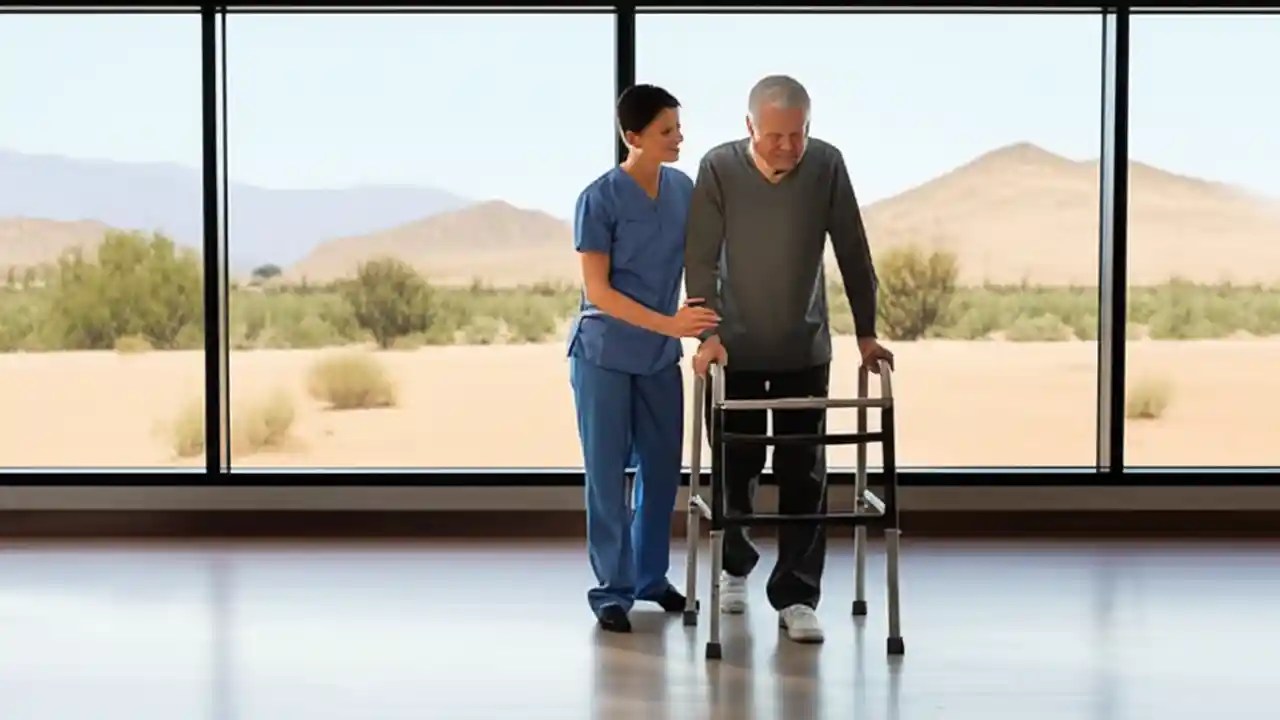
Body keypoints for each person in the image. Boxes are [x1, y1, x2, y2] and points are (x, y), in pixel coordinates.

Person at [684, 74, 894, 644]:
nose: (785, 146)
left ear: (809, 127)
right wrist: (706, 336)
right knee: (737, 464)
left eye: (795, 134)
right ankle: (733, 566)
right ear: (749, 127)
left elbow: (852, 248)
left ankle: (798, 596)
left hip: (804, 346)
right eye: (773, 134)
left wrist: (867, 333)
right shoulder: (718, 168)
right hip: (735, 350)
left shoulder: (826, 165)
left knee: (805, 473)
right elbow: (700, 258)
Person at [567, 84, 721, 633]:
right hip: (603, 353)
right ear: (632, 137)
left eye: (678, 127)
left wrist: (698, 329)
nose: (678, 138)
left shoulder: (684, 190)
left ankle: (650, 579)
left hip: (658, 356)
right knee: (608, 475)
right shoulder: (598, 198)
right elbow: (598, 292)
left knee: (660, 472)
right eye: (666, 131)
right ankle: (612, 590)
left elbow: (704, 263)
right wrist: (672, 325)